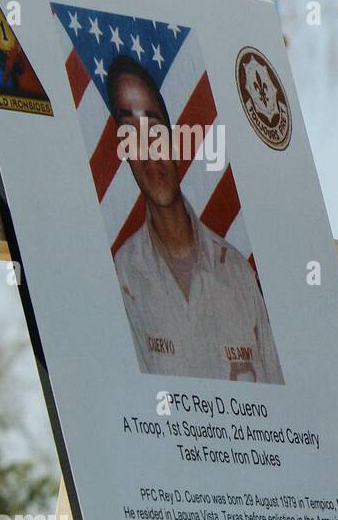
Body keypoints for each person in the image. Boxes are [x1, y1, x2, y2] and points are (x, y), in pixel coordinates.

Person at [106, 56, 283, 384]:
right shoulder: (122, 280)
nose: (148, 148)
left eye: (155, 128)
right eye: (130, 132)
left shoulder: (238, 274)